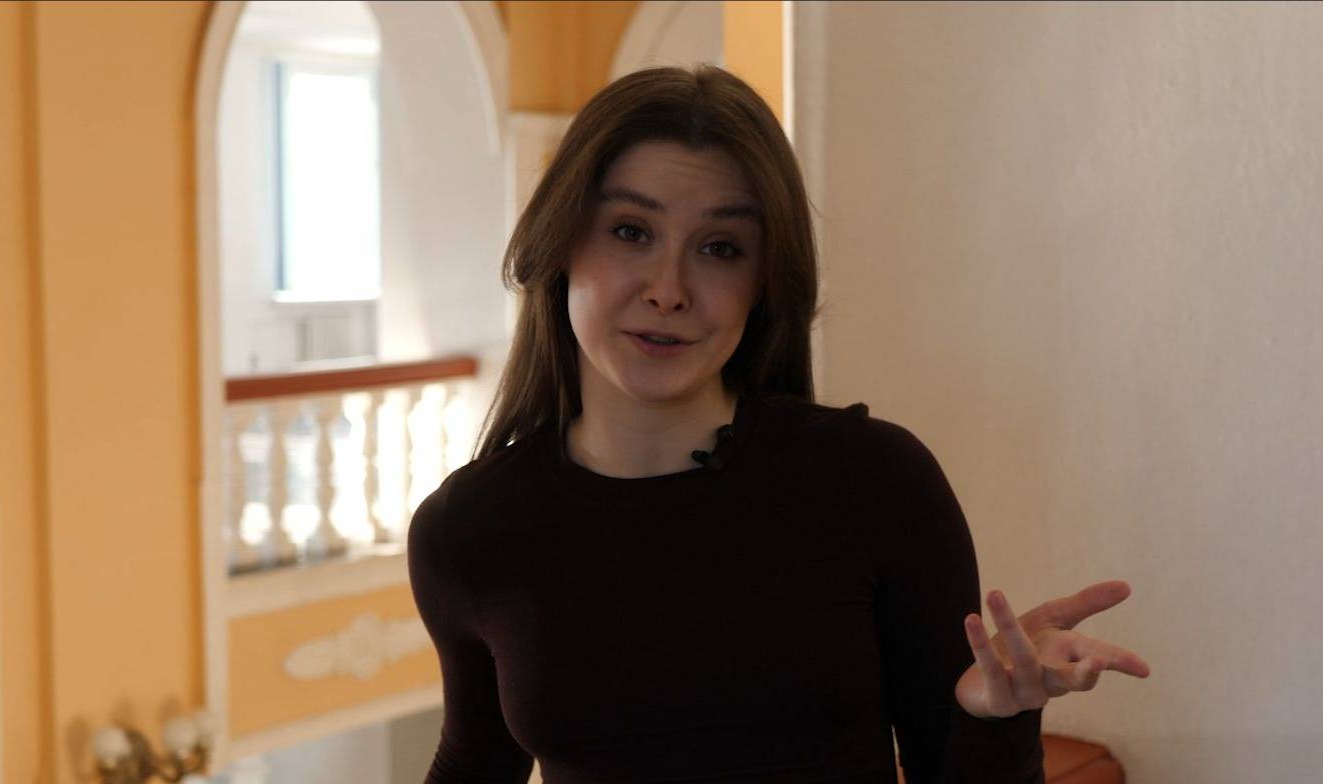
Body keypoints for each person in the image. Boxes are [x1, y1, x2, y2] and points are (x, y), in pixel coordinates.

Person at [407, 65, 1150, 784]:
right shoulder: (467, 528)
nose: (668, 290)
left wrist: (998, 715)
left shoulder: (873, 481)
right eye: (630, 231)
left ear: (763, 284)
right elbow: (474, 765)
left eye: (719, 249)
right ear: (559, 243)